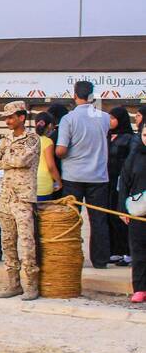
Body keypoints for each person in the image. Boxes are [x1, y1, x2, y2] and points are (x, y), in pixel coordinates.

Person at [55, 80, 112, 268]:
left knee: (71, 218)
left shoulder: (68, 119)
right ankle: (101, 260)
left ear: (74, 95)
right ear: (91, 96)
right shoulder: (103, 117)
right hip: (99, 176)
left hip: (73, 176)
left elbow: (61, 150)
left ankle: (70, 258)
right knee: (99, 220)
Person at [0, 100, 41, 300]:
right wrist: (9, 161)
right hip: (5, 197)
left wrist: (6, 161)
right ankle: (13, 284)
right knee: (7, 242)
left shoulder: (32, 139)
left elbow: (23, 160)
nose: (8, 121)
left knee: (27, 243)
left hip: (23, 197)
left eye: (11, 117)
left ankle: (31, 285)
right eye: (6, 118)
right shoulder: (4, 139)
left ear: (22, 117)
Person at [117, 120, 146, 303]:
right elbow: (124, 184)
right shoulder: (134, 156)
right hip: (138, 212)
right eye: (144, 135)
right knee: (139, 251)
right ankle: (140, 288)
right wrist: (123, 210)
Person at [106, 105, 134, 266]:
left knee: (121, 215)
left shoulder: (130, 138)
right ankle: (115, 250)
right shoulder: (108, 136)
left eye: (113, 118)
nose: (110, 121)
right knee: (109, 215)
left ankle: (127, 252)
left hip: (121, 181)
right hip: (107, 180)